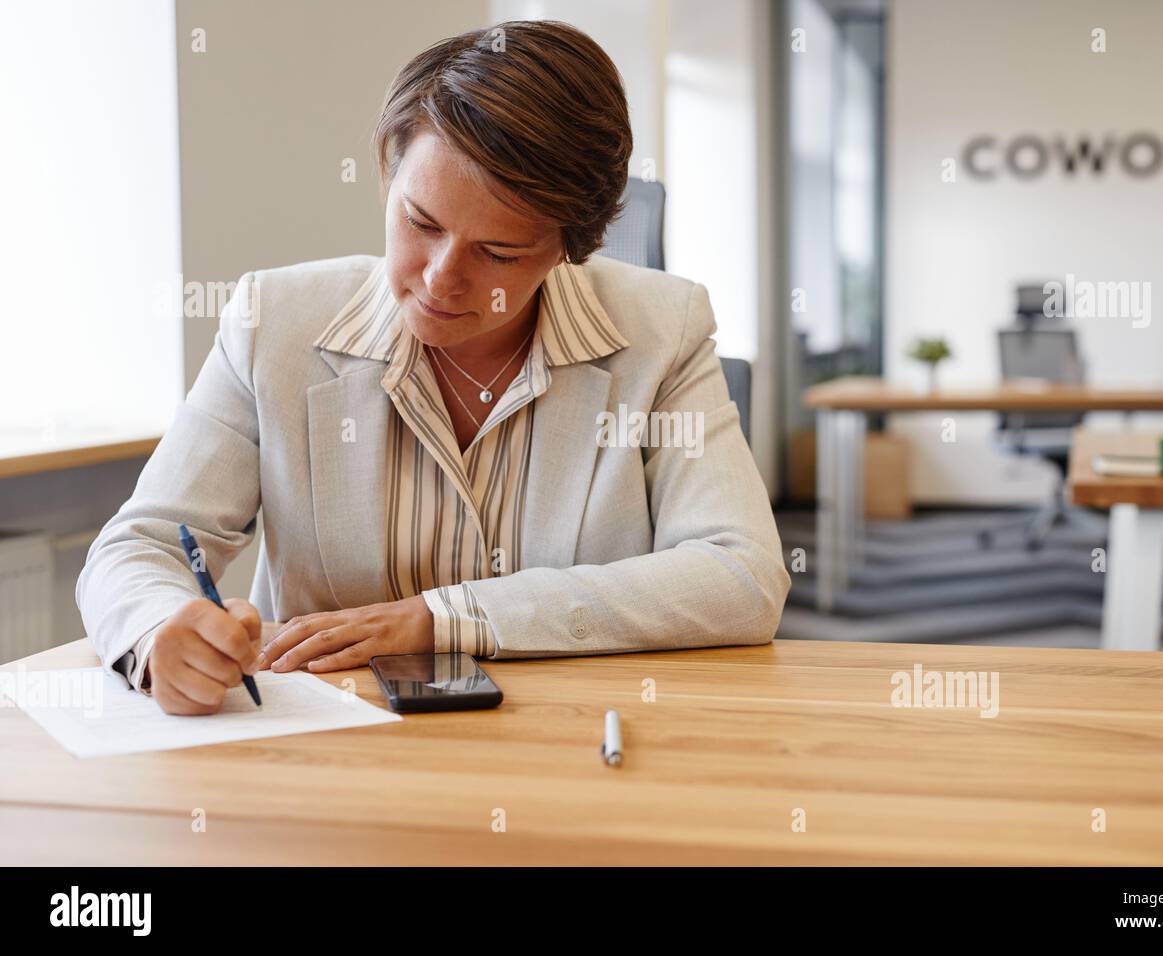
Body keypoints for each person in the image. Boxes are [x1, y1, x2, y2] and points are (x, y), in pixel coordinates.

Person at [76, 19, 790, 715]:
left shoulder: (661, 332)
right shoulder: (274, 323)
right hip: (328, 758)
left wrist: (446, 618)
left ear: (573, 245)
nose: (442, 279)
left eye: (499, 254)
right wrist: (157, 631)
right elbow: (139, 546)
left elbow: (741, 575)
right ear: (387, 174)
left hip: (571, 749)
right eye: (420, 223)